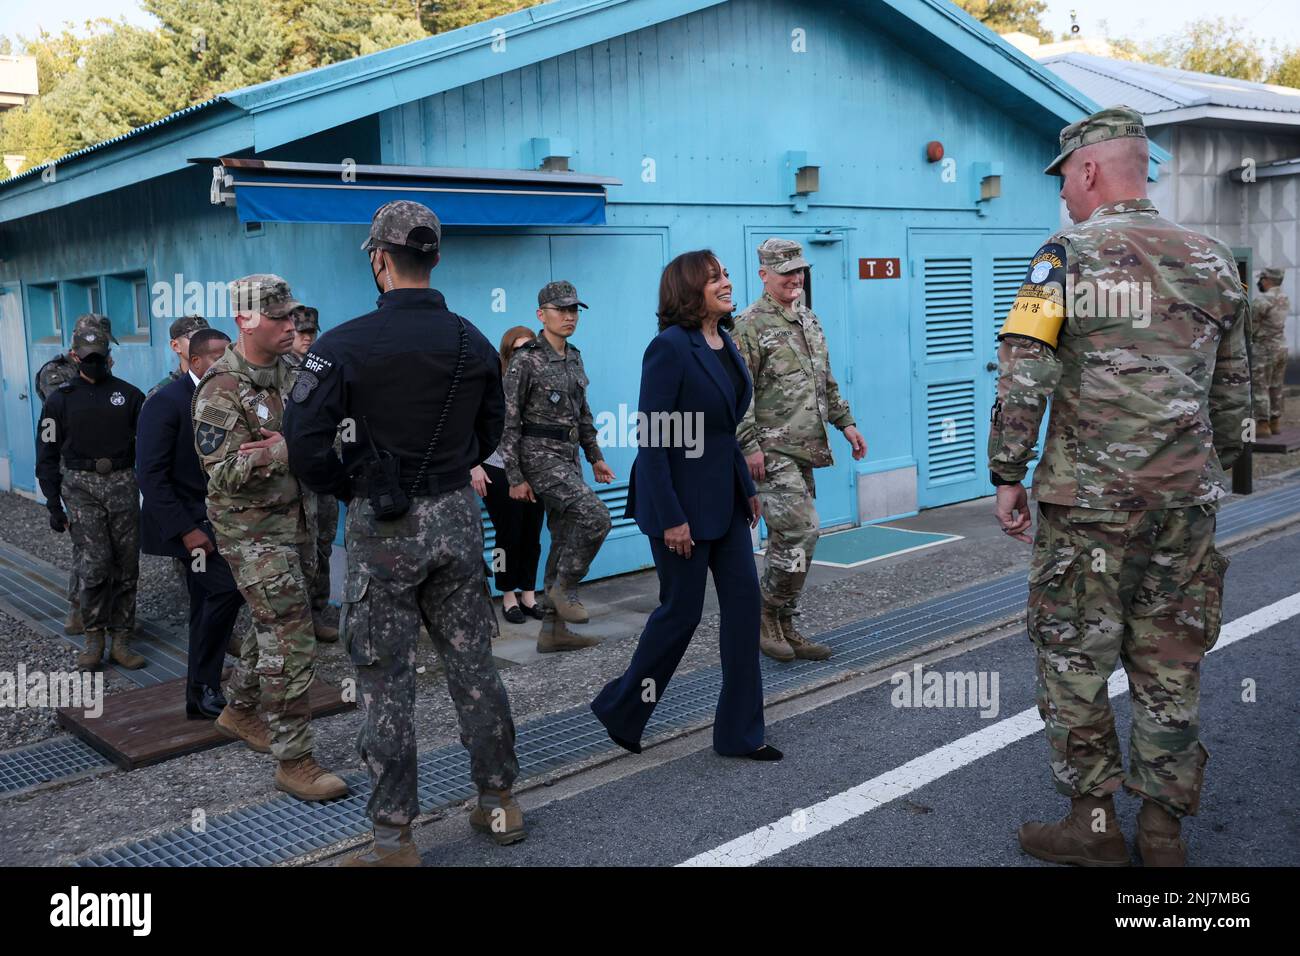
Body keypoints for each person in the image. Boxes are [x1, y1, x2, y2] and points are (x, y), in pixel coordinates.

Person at [990, 107, 1251, 867]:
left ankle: (1094, 829)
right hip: (1185, 505)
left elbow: (1023, 375)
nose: (1065, 195)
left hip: (1089, 511)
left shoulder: (1063, 256)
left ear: (1091, 170)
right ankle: (1164, 833)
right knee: (1170, 660)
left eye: (1066, 178)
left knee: (1075, 657)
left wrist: (1007, 474)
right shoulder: (1212, 258)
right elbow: (1232, 398)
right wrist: (1206, 466)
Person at [284, 200, 523, 866]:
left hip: (381, 525)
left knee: (386, 679)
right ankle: (499, 803)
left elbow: (302, 444)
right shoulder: (473, 340)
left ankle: (393, 838)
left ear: (379, 259)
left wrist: (348, 485)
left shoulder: (341, 346)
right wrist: (450, 465)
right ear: (436, 258)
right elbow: (491, 431)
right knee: (474, 667)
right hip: (455, 515)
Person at [592, 250, 778, 760]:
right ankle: (622, 709)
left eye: (724, 274)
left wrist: (748, 487)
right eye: (713, 276)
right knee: (682, 614)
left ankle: (741, 734)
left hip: (726, 499)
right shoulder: (669, 348)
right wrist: (673, 517)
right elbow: (651, 441)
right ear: (689, 290)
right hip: (678, 506)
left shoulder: (724, 343)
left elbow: (724, 431)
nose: (725, 281)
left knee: (743, 611)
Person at [193, 273, 347, 803]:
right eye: (279, 317)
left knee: (273, 627)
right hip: (250, 529)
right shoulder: (221, 388)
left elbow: (329, 429)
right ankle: (295, 760)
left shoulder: (295, 374)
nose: (290, 326)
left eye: (292, 316)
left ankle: (238, 710)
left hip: (297, 520)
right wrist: (287, 448)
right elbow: (222, 472)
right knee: (291, 636)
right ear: (245, 319)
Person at [734, 239, 868, 662]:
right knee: (801, 530)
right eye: (786, 271)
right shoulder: (749, 325)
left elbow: (823, 379)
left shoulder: (808, 318)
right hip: (771, 449)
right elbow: (739, 394)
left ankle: (786, 622)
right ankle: (766, 615)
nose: (796, 278)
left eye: (800, 270)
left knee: (795, 541)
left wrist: (846, 424)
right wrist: (749, 446)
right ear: (764, 275)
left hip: (805, 446)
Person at [499, 281, 614, 649]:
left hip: (569, 456)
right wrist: (515, 477)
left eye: (574, 310)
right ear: (541, 315)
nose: (569, 317)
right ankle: (565, 588)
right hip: (538, 456)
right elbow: (509, 421)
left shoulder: (574, 357)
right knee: (596, 516)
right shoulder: (525, 359)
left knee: (563, 538)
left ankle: (552, 631)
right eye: (561, 310)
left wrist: (595, 456)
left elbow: (583, 415)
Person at [137, 328, 244, 719]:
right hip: (190, 525)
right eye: (217, 355)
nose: (225, 360)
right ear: (195, 361)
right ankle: (204, 687)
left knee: (207, 602)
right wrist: (187, 531)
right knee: (225, 591)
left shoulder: (228, 396)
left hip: (224, 520)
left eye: (229, 352)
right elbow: (150, 475)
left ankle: (201, 693)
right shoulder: (166, 402)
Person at [36, 323, 146, 671]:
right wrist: (53, 502)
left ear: (109, 357)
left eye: (99, 357)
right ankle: (94, 637)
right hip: (80, 487)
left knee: (127, 565)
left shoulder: (130, 396)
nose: (94, 362)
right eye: (87, 358)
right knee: (96, 564)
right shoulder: (59, 400)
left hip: (122, 484)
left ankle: (122, 639)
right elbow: (47, 452)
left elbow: (150, 448)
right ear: (75, 357)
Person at [33, 313, 120, 638]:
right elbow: (69, 415)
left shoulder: (101, 372)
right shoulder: (55, 374)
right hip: (70, 470)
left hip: (105, 473)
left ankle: (106, 611)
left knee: (108, 547)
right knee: (86, 546)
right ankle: (79, 609)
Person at [471, 326, 546, 623]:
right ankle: (508, 595)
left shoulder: (540, 382)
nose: (524, 354)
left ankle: (529, 593)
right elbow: (468, 424)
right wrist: (473, 464)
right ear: (507, 353)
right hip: (498, 468)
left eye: (530, 347)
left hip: (535, 468)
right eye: (518, 349)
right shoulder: (494, 383)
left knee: (532, 534)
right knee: (507, 534)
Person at [285, 305, 339, 642]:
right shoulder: (278, 370)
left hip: (326, 470)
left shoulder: (323, 368)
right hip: (295, 476)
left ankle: (319, 610)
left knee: (323, 544)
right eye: (301, 332)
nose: (306, 338)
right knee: (298, 549)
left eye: (311, 332)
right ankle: (299, 619)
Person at [1252, 268, 1290, 436]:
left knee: (1261, 385)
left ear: (1267, 280)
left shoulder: (1262, 300)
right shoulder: (1284, 298)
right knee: (1276, 386)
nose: (1259, 282)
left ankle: (1262, 424)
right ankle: (1275, 422)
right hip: (1281, 346)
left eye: (1262, 279)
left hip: (1264, 348)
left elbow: (1250, 325)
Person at [147, 315, 210, 400]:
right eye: (195, 338)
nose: (204, 343)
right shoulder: (162, 393)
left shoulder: (221, 382)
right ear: (176, 346)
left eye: (207, 337)